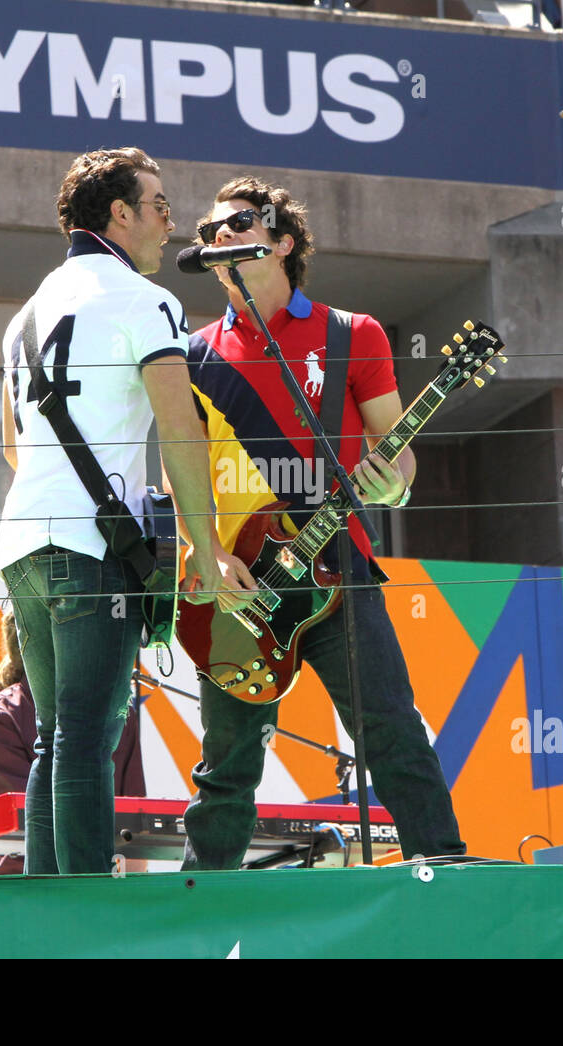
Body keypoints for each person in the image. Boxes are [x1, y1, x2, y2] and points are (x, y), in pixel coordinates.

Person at [178, 176, 466, 869]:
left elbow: (398, 457)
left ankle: (452, 876)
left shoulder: (352, 333)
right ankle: (198, 906)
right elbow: (177, 471)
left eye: (239, 224)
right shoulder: (191, 355)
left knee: (392, 733)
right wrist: (207, 552)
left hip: (340, 565)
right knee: (227, 763)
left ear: (282, 242)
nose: (220, 237)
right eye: (209, 230)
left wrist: (389, 487)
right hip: (241, 583)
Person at [0, 148, 255, 875]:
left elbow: (16, 448)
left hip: (21, 540)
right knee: (86, 733)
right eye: (162, 206)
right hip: (88, 545)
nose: (172, 226)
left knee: (57, 734)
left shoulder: (25, 313)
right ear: (119, 213)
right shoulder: (145, 302)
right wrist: (204, 551)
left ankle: (51, 907)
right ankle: (83, 912)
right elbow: (180, 430)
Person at [0, 610, 145, 875]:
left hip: (103, 876)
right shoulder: (1, 714)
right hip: (24, 880)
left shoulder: (120, 710)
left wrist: (128, 889)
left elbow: (135, 816)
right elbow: (26, 817)